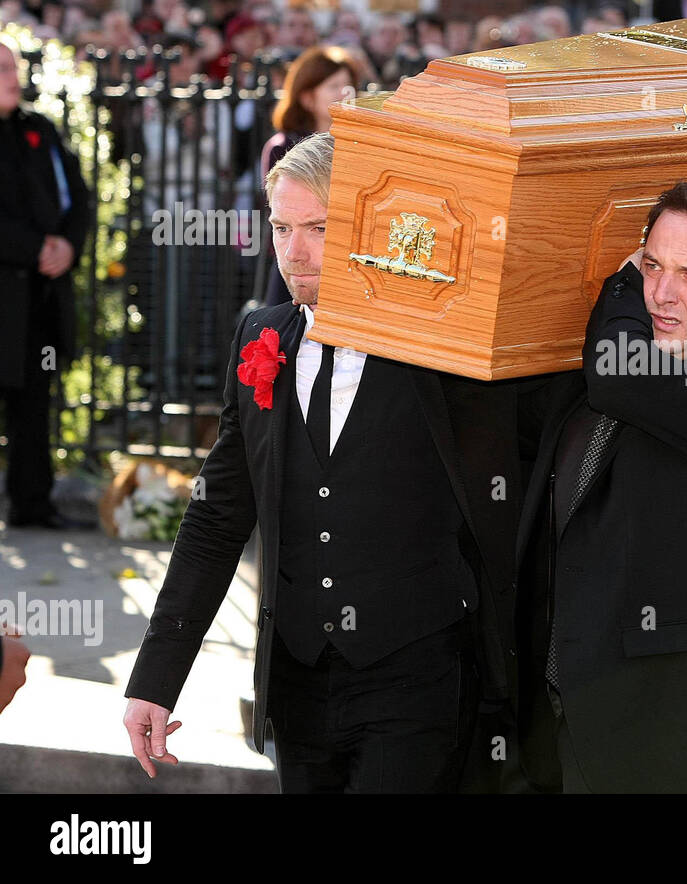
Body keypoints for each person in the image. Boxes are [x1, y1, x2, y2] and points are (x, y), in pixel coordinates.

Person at [122, 134, 514, 793]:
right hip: (297, 685)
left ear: (367, 228)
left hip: (414, 680)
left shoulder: (434, 345)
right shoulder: (260, 336)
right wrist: (156, 679)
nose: (294, 251)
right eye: (281, 227)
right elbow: (216, 519)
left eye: (320, 228)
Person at [517, 179, 687, 793]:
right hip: (577, 730)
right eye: (651, 266)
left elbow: (621, 375)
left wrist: (619, 281)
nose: (662, 294)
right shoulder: (602, 373)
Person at [0, 41, 91, 529]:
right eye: (1, 69)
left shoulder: (40, 129)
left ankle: (32, 503)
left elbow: (79, 194)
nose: (12, 76)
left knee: (34, 402)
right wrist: (32, 247)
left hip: (40, 296)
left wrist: (68, 246)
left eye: (12, 67)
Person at [259, 45, 364, 307]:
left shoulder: (362, 145)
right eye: (334, 86)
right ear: (307, 97)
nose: (345, 93)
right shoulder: (283, 146)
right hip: (302, 265)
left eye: (348, 85)